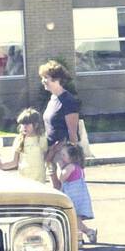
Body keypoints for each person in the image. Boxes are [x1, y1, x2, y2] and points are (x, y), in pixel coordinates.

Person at [38, 60, 81, 191]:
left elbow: (72, 134)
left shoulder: (68, 101)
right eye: (42, 78)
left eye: (46, 78)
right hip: (51, 151)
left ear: (57, 79)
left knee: (65, 189)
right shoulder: (53, 98)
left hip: (62, 154)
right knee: (55, 189)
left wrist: (63, 152)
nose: (43, 81)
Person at [0, 108, 48, 184]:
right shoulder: (19, 140)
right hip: (24, 179)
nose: (24, 127)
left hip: (39, 180)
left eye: (27, 124)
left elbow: (45, 158)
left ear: (36, 125)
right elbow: (14, 162)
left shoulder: (42, 139)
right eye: (22, 124)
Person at [54, 143, 96, 245]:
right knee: (74, 219)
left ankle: (84, 234)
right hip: (79, 196)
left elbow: (61, 178)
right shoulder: (78, 167)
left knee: (73, 218)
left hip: (74, 197)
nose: (61, 157)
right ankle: (87, 233)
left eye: (63, 155)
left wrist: (59, 166)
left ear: (71, 157)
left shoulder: (71, 167)